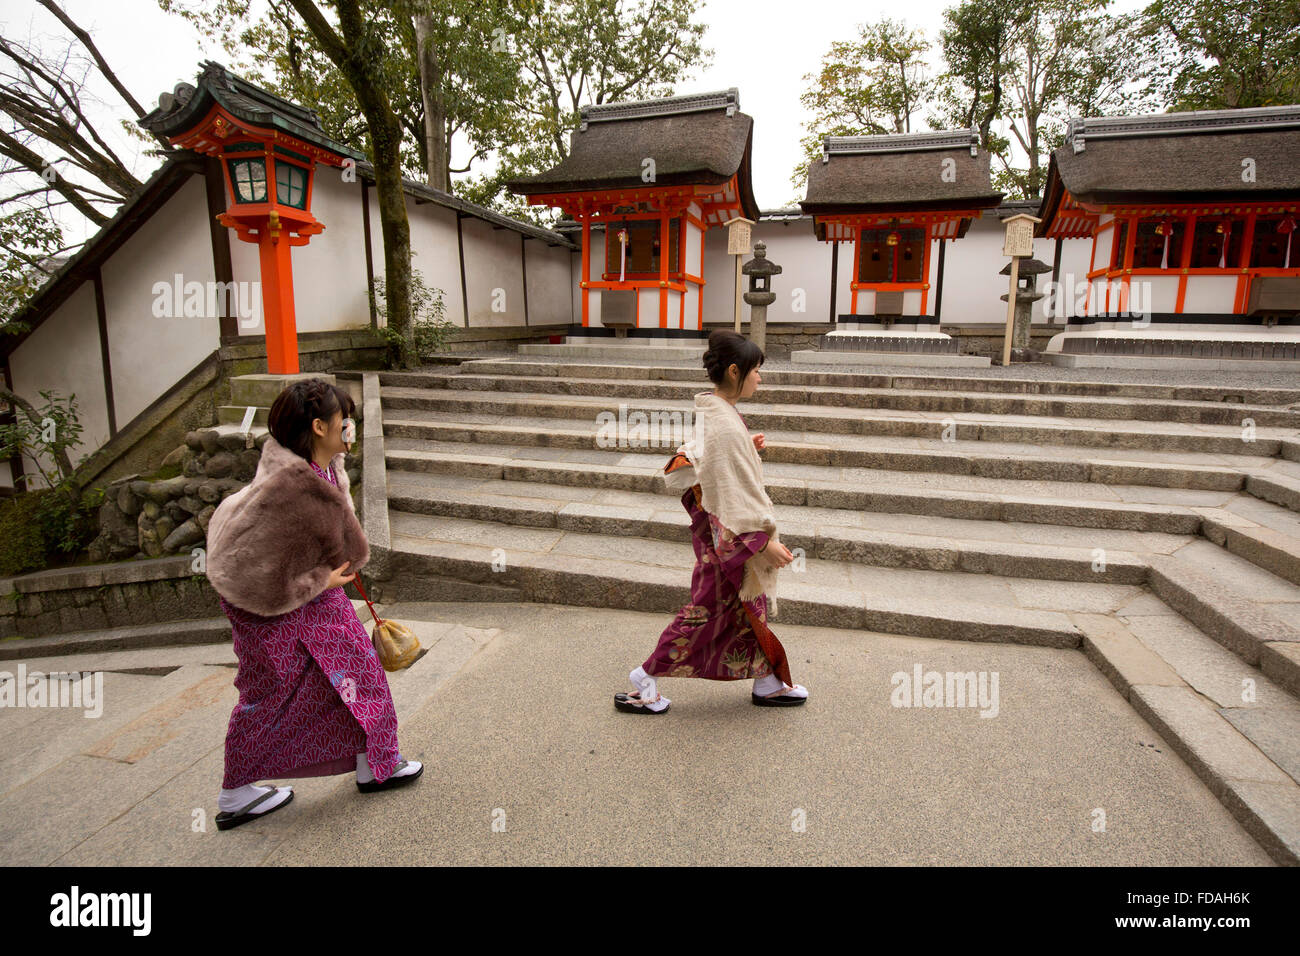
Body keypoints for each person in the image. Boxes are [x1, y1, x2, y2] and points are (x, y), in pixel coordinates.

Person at [205, 378, 422, 831]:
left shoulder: (321, 466)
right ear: (320, 426)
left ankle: (375, 762)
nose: (350, 426)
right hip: (271, 609)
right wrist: (319, 581)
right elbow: (249, 567)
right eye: (344, 419)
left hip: (315, 601)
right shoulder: (287, 486)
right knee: (269, 696)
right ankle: (236, 792)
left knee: (358, 672)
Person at [616, 330, 809, 714]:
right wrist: (760, 543)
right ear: (735, 371)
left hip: (726, 542)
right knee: (704, 616)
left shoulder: (720, 414)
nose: (760, 378)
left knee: (747, 613)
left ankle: (768, 682)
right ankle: (644, 677)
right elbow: (725, 501)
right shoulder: (722, 424)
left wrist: (744, 447)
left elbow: (708, 468)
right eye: (756, 371)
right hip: (728, 547)